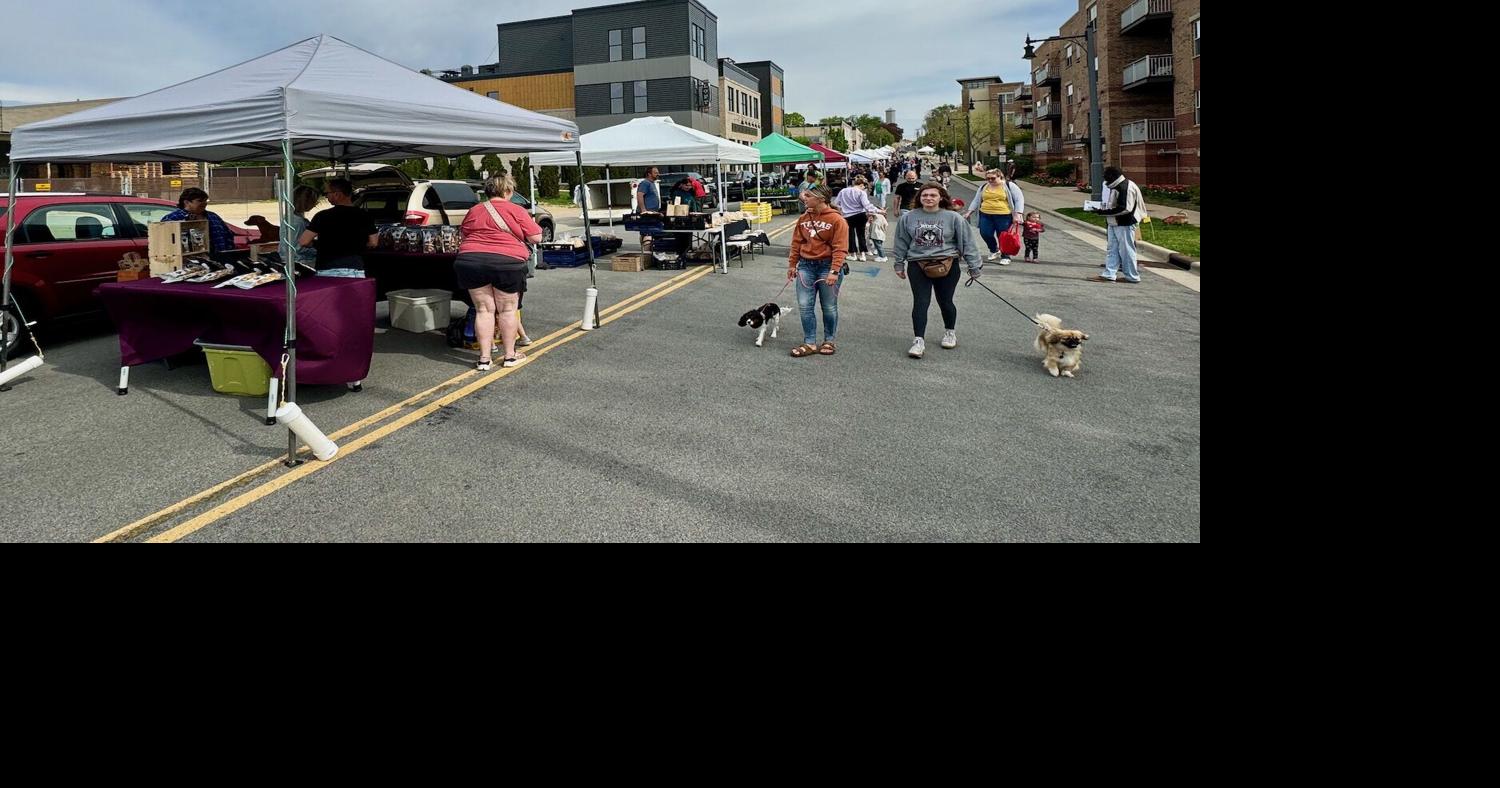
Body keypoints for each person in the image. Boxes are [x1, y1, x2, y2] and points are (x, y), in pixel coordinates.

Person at [455, 173, 544, 371]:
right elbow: (537, 237)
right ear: (508, 191)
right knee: (507, 310)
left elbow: (464, 234)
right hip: (507, 262)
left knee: (484, 310)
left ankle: (484, 359)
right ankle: (510, 356)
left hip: (471, 261)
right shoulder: (516, 209)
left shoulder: (474, 210)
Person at [893, 182, 983, 359]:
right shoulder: (908, 217)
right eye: (924, 195)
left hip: (947, 264)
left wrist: (974, 266)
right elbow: (901, 241)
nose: (928, 198)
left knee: (945, 301)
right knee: (920, 302)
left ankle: (950, 332)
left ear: (941, 197)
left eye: (933, 195)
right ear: (919, 197)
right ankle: (918, 340)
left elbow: (968, 242)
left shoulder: (953, 217)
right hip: (918, 264)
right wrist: (898, 263)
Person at [786, 185, 849, 358]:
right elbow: (796, 243)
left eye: (808, 195)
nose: (804, 198)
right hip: (806, 266)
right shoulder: (804, 218)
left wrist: (834, 271)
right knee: (805, 306)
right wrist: (792, 265)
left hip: (828, 266)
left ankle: (829, 340)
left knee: (828, 306)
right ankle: (810, 342)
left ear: (821, 199)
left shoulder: (837, 220)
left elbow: (840, 248)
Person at [297, 178, 377, 277]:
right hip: (355, 268)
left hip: (327, 268)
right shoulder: (364, 215)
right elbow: (374, 242)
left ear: (337, 194)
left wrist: (317, 244)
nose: (326, 196)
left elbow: (304, 241)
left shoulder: (322, 216)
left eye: (327, 193)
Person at [1090, 166, 1146, 283]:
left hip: (1125, 223)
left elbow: (1125, 208)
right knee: (1112, 249)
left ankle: (1132, 276)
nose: (1104, 178)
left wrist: (1102, 212)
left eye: (1106, 176)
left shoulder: (1125, 187)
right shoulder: (1118, 185)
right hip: (1115, 222)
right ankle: (1109, 274)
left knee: (1126, 250)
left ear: (1112, 176)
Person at [963, 166, 1024, 264]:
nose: (990, 180)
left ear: (1000, 176)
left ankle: (1005, 256)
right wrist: (969, 212)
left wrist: (1017, 214)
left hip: (1004, 215)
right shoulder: (983, 187)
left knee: (1003, 236)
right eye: (988, 178)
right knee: (985, 233)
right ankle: (994, 250)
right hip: (985, 214)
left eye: (993, 178)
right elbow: (976, 199)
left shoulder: (1009, 185)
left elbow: (1019, 199)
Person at [244, 185, 320, 264]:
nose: (315, 205)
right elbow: (298, 248)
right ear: (306, 202)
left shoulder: (289, 217)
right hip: (299, 261)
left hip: (287, 258)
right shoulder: (298, 222)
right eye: (314, 202)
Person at [162, 187, 238, 252]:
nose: (204, 203)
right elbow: (166, 244)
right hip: (189, 264)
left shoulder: (213, 217)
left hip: (218, 261)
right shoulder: (172, 219)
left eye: (205, 200)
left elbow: (228, 236)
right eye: (200, 201)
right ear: (187, 202)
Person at [833, 175, 879, 262]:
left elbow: (836, 203)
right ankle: (862, 254)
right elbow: (867, 205)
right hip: (860, 215)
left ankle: (853, 254)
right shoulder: (861, 193)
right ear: (862, 185)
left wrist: (842, 210)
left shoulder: (843, 191)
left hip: (847, 216)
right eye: (864, 187)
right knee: (861, 235)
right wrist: (878, 211)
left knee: (850, 235)